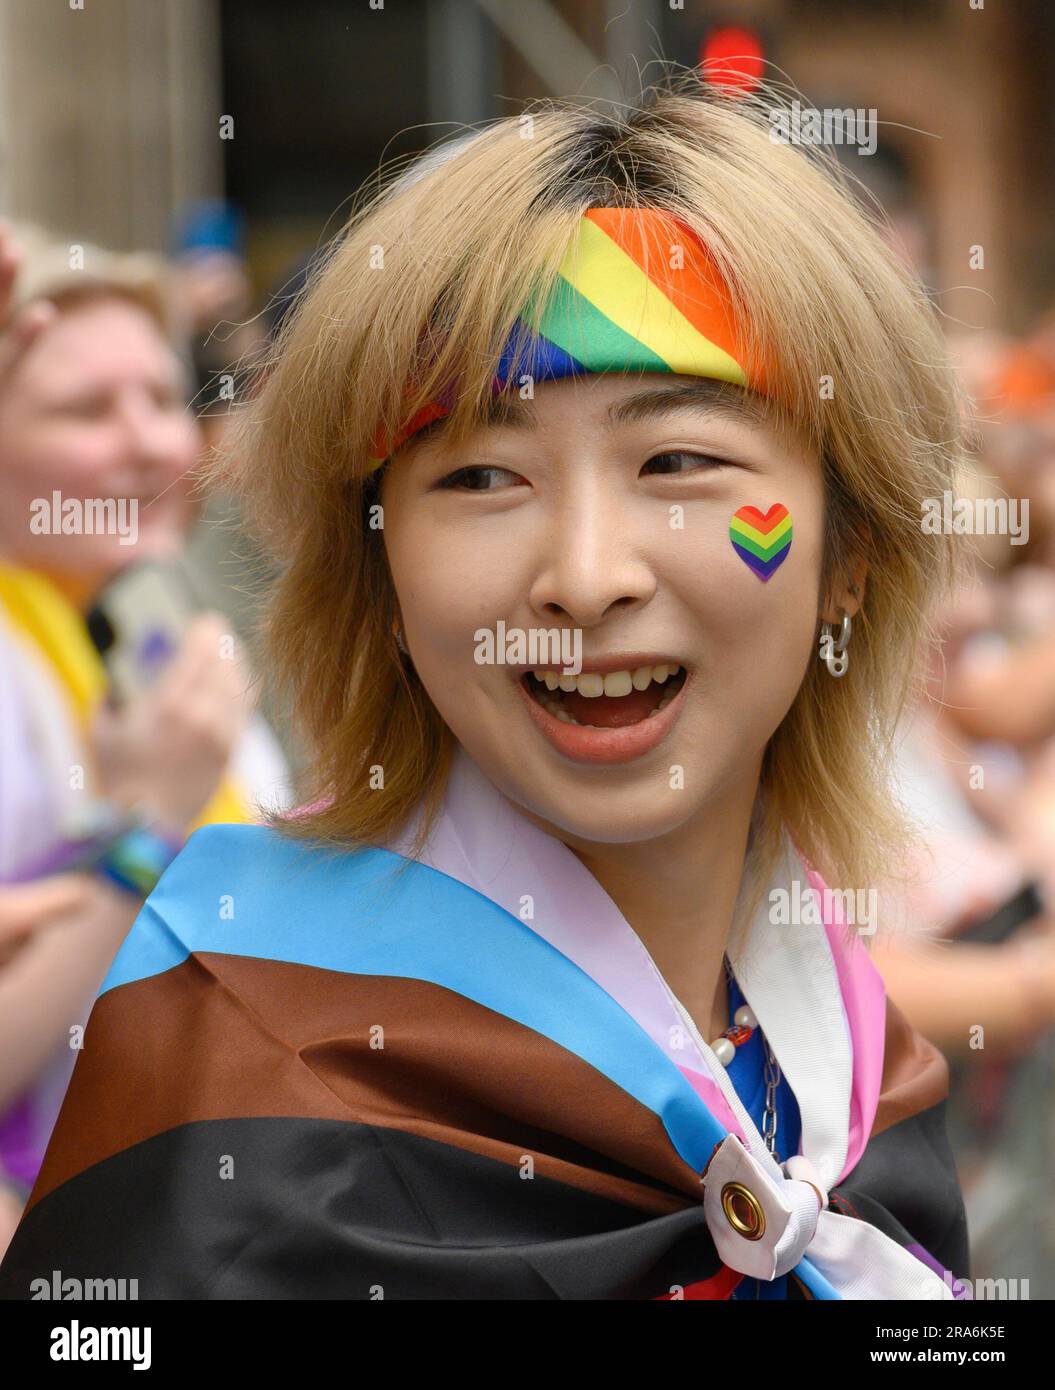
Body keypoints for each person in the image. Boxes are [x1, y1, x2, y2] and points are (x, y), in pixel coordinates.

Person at [0, 74, 970, 1300]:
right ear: (380, 574)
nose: (581, 578)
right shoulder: (231, 1039)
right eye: (480, 479)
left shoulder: (858, 1081)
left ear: (851, 558)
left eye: (676, 459)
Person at [0, 222, 289, 1221]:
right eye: (85, 407)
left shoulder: (154, 629)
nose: (150, 442)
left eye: (162, 398)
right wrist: (144, 830)